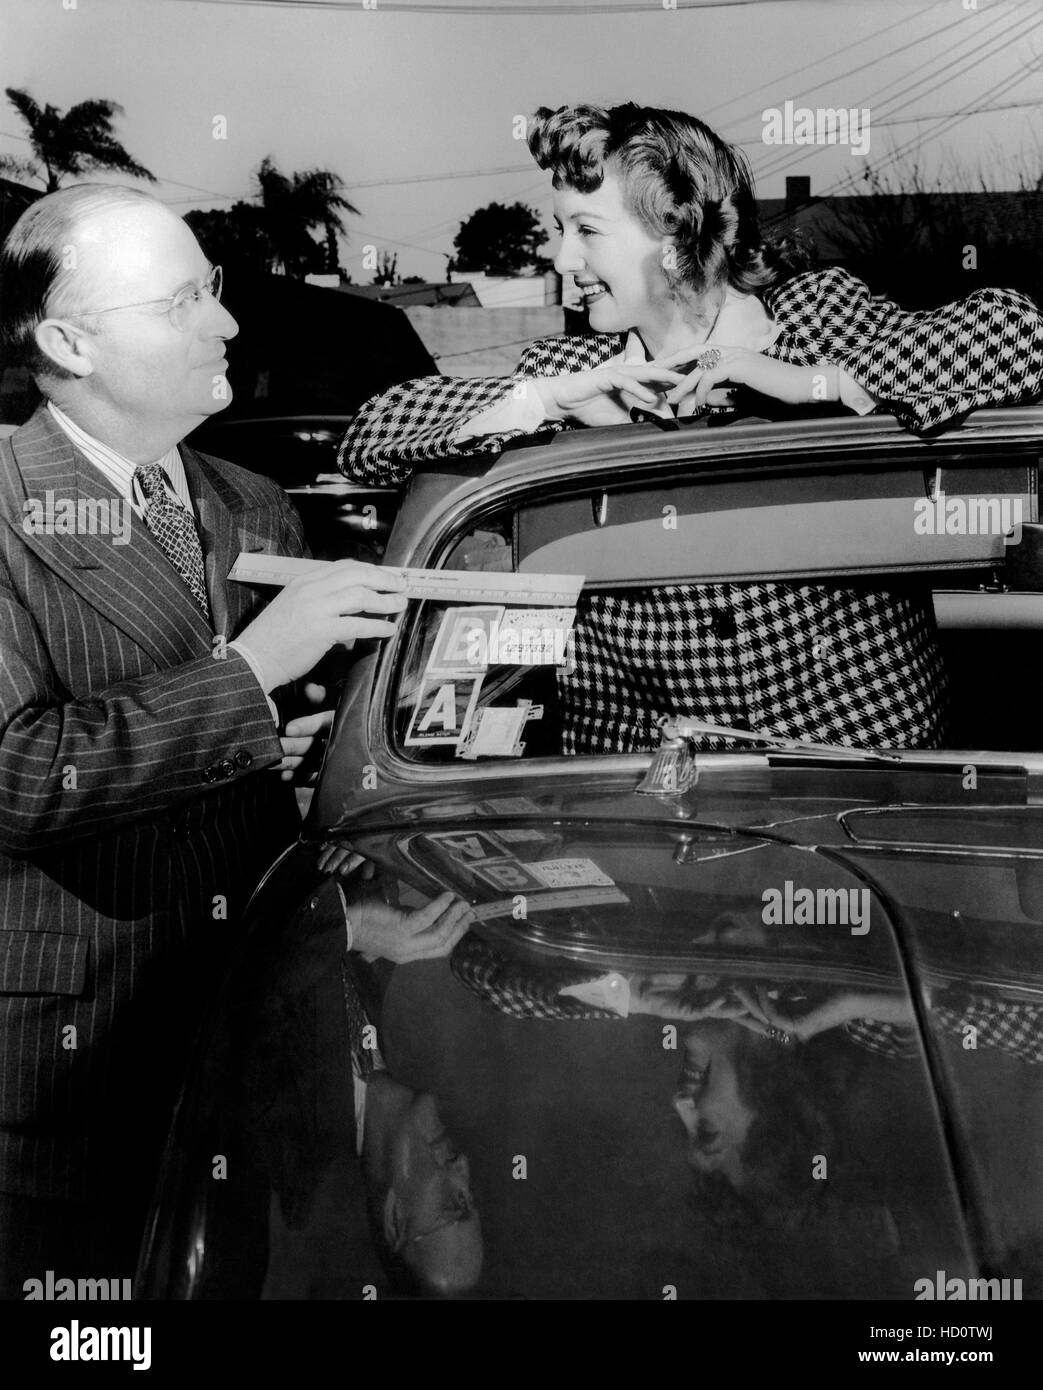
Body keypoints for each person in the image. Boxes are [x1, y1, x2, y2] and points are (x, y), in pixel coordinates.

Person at [340, 101, 1043, 756]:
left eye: (586, 231)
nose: (563, 261)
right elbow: (373, 433)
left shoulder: (817, 320)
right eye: (561, 231)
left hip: (849, 782)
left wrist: (804, 382)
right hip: (632, 801)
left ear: (678, 235)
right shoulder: (566, 367)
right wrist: (550, 399)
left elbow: (1020, 335)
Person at [0, 183, 409, 1297]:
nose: (224, 325)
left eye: (213, 292)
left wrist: (298, 734)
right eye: (181, 301)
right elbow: (20, 773)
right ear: (70, 339)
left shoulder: (255, 501)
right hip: (72, 1069)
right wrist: (251, 677)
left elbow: (242, 745)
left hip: (251, 1044)